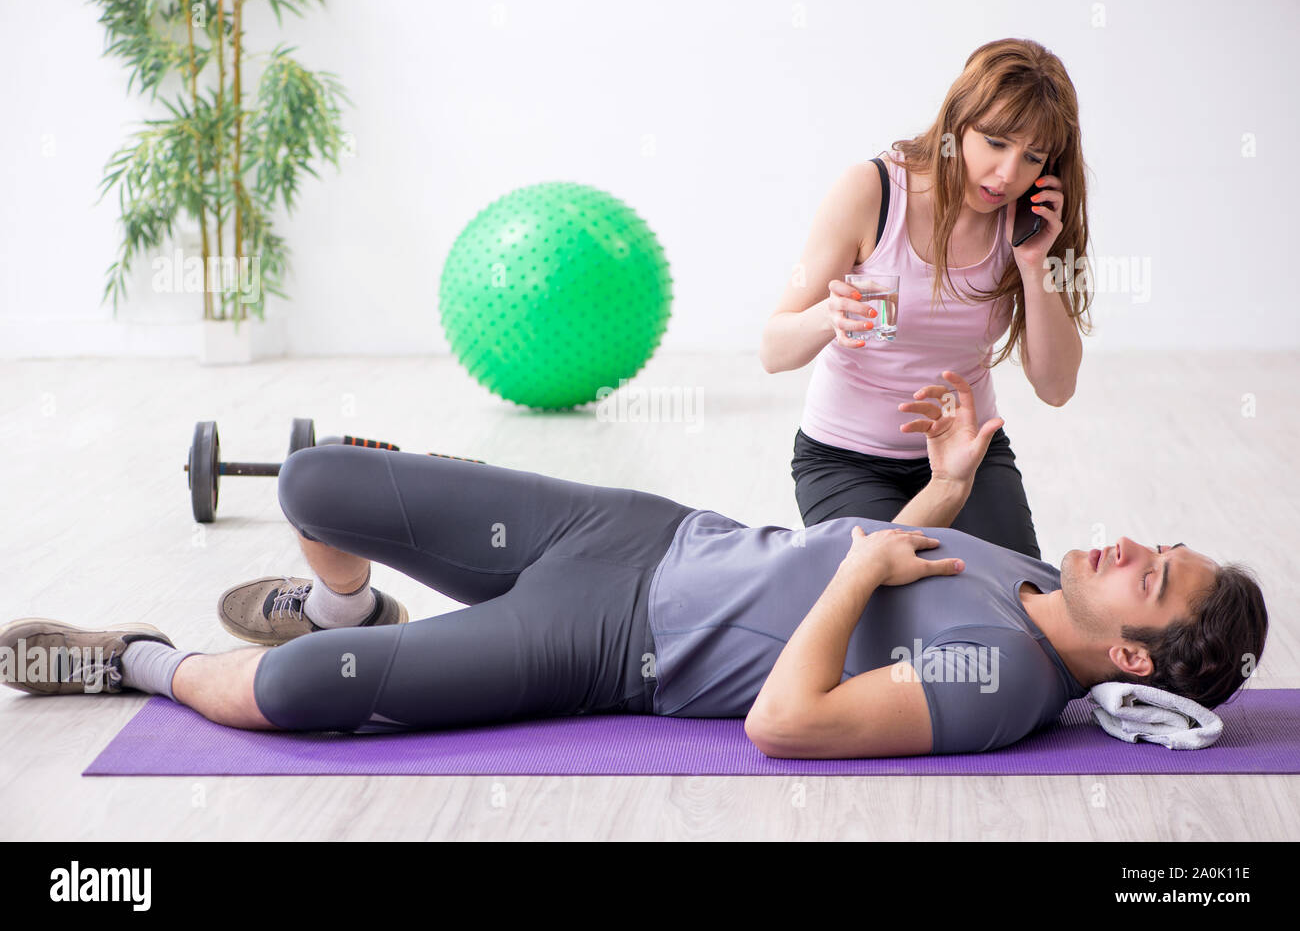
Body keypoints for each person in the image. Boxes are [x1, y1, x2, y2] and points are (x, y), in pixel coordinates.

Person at [0, 374, 1267, 758]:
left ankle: (130, 661)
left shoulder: (998, 679)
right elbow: (916, 541)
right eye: (1159, 541)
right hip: (635, 530)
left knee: (300, 693)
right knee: (317, 478)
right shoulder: (1035, 576)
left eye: (1152, 575)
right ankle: (345, 590)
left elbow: (786, 723)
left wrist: (858, 575)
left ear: (1133, 657)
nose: (1131, 548)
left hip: (615, 644)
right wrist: (936, 484)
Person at [761, 38, 1094, 562]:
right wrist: (830, 315)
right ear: (957, 121)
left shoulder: (1029, 226)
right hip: (848, 459)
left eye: (1032, 157)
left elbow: (1056, 388)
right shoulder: (872, 191)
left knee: (1020, 598)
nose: (1008, 174)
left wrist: (1034, 266)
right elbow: (773, 351)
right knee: (885, 601)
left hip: (967, 455)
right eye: (995, 142)